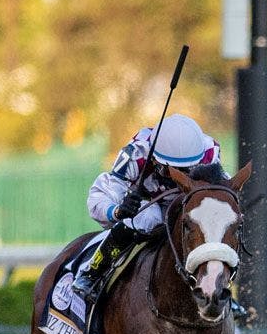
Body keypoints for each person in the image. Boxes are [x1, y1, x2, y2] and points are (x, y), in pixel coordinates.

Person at [71, 113, 223, 301]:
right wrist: (117, 210)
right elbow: (102, 194)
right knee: (150, 218)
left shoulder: (210, 154)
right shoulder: (137, 153)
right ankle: (92, 273)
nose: (178, 177)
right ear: (155, 159)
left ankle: (219, 289)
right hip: (147, 202)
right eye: (170, 170)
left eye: (187, 170)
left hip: (186, 204)